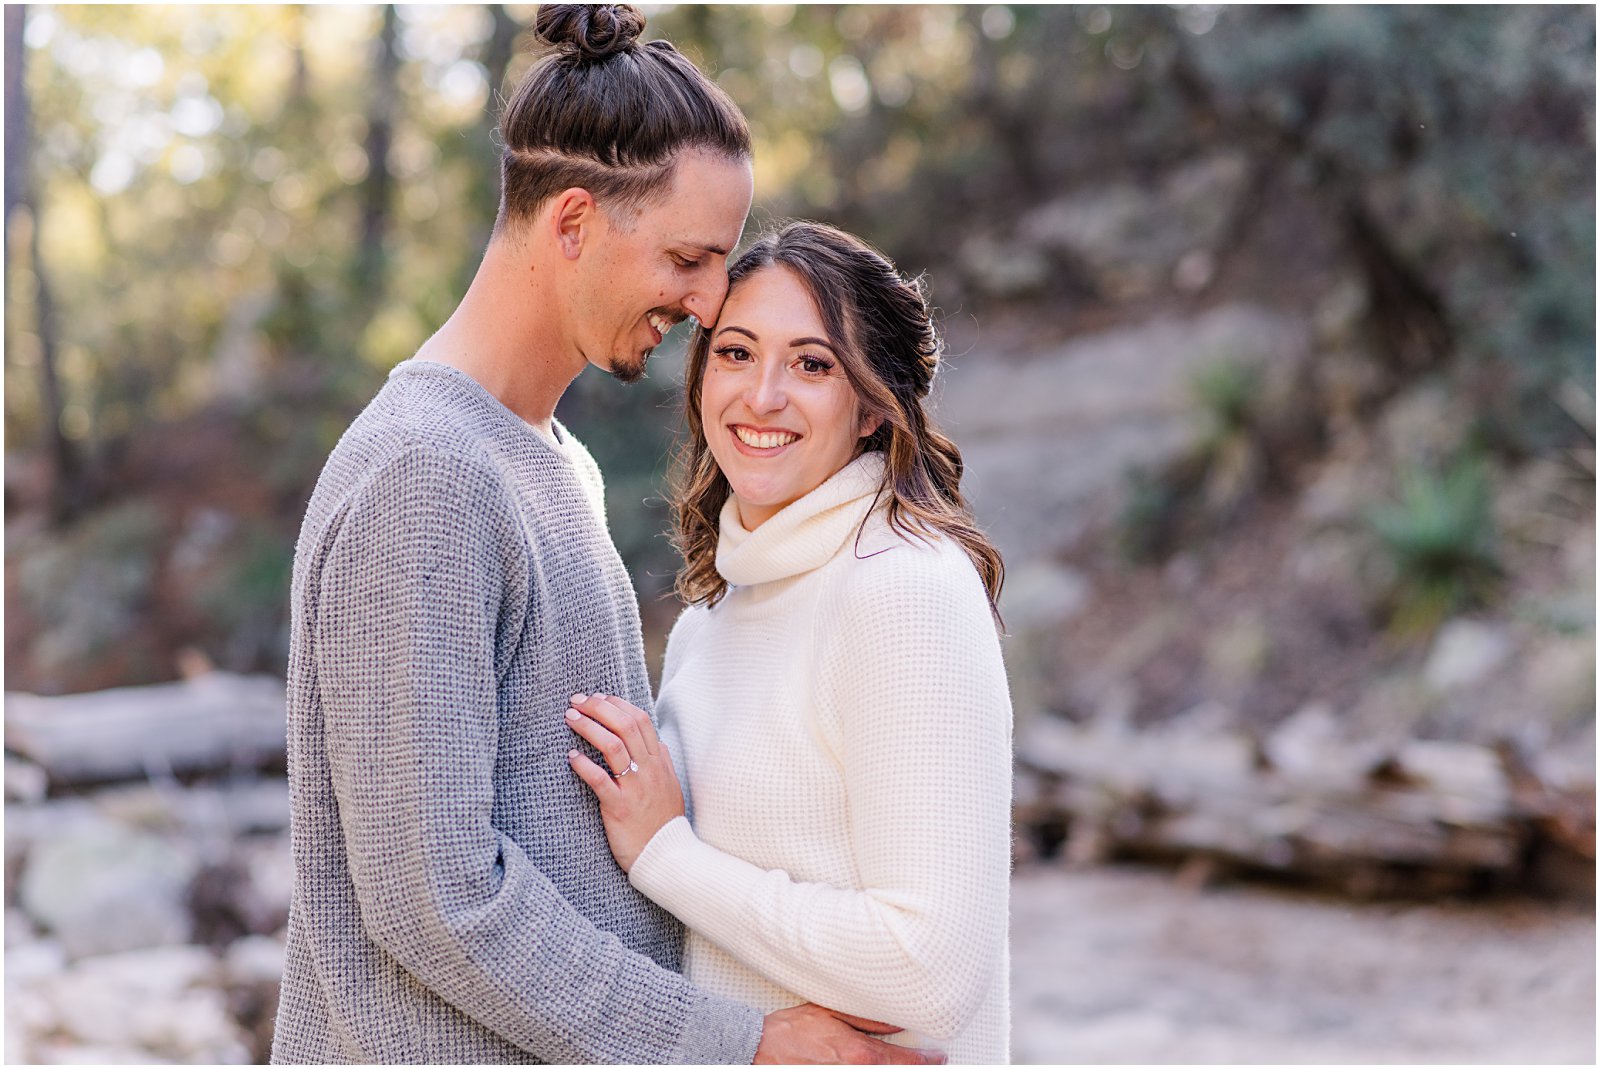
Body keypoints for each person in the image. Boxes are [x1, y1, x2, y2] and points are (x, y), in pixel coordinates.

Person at [271, 6, 944, 1064]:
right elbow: (434, 897)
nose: (710, 303)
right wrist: (742, 1044)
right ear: (574, 222)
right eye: (689, 257)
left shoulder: (552, 462)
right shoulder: (427, 474)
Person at [565, 221, 1014, 1064]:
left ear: (874, 406)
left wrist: (667, 855)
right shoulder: (708, 622)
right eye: (736, 353)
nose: (763, 395)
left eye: (812, 365)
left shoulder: (904, 589)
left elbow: (932, 969)